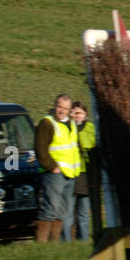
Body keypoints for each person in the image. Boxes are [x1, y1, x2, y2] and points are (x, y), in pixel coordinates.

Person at [34, 94, 81, 242]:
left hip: (70, 174)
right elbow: (40, 148)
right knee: (51, 208)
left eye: (66, 108)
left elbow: (75, 147)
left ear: (69, 110)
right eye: (60, 107)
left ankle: (54, 243)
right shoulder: (47, 123)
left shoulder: (72, 124)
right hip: (54, 173)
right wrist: (52, 167)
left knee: (63, 211)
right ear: (55, 105)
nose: (62, 111)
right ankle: (42, 243)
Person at [61, 102, 96, 242]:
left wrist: (75, 131)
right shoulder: (67, 127)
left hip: (84, 175)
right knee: (68, 212)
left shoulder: (89, 127)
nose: (76, 116)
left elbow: (89, 143)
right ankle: (67, 241)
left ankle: (84, 240)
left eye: (79, 113)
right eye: (74, 113)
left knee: (83, 213)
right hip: (70, 173)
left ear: (85, 115)